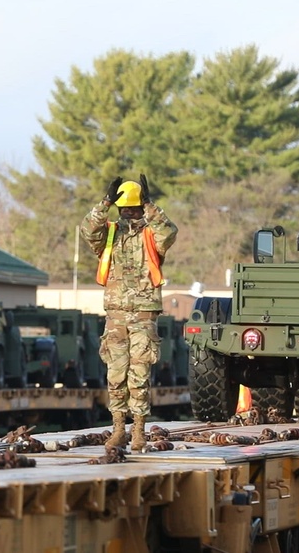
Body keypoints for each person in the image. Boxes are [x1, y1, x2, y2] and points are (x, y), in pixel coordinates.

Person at [81, 175, 178, 452]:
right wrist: (105, 202)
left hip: (144, 313)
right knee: (115, 373)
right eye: (125, 209)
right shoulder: (110, 234)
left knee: (139, 374)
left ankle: (138, 430)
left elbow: (169, 232)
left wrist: (150, 205)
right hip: (116, 314)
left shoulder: (151, 234)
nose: (130, 214)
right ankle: (118, 429)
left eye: (134, 209)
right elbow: (88, 230)